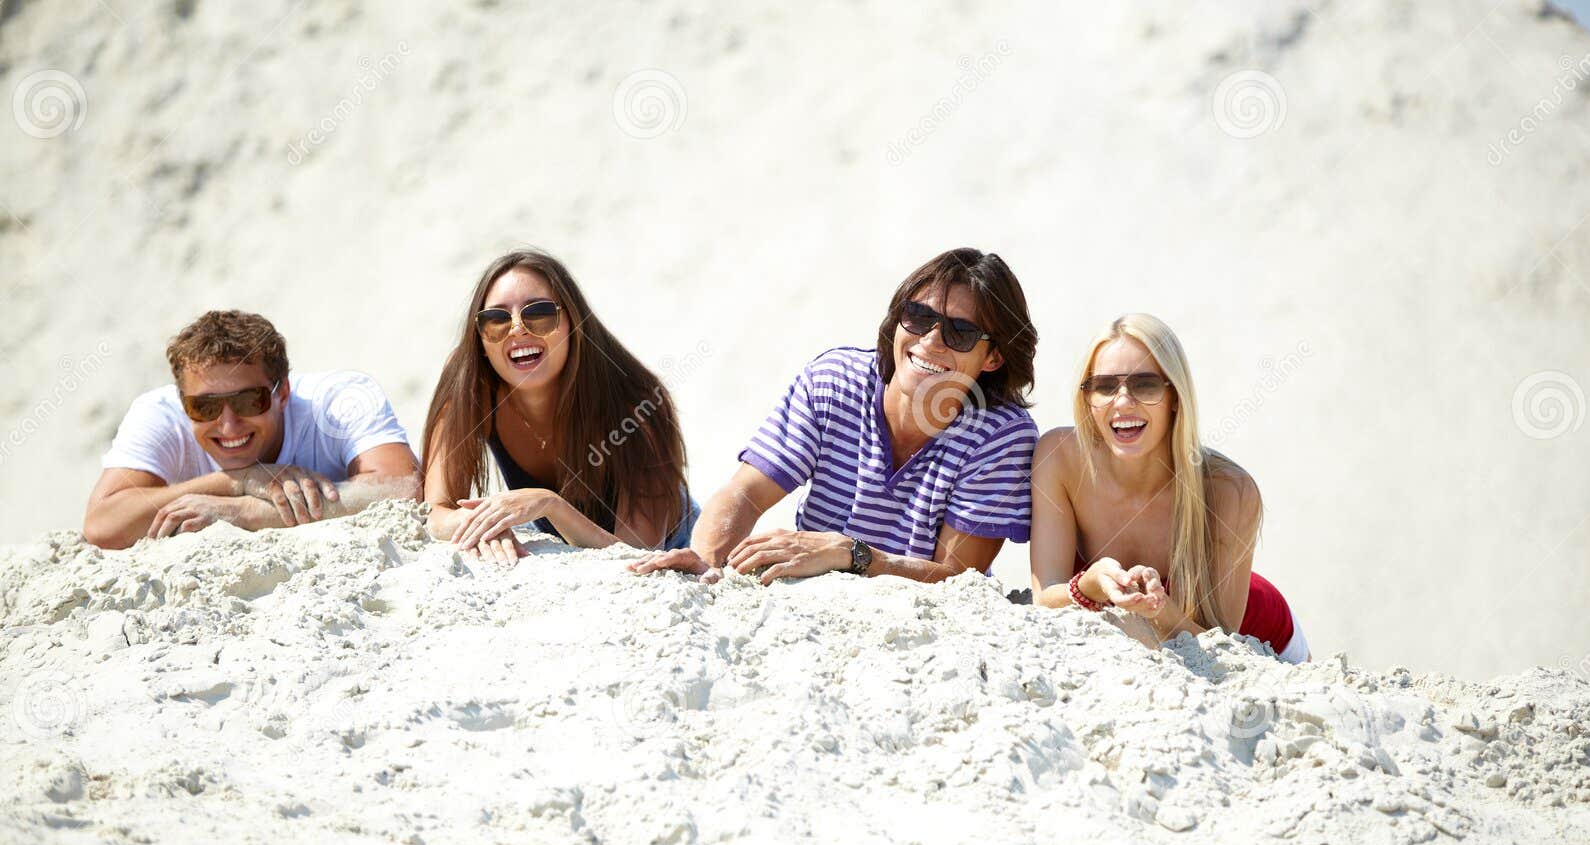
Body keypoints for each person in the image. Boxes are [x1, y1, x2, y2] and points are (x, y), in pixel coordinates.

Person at [630, 247, 1038, 585]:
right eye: (919, 316)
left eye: (960, 332)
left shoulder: (1001, 437)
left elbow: (956, 578)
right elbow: (746, 493)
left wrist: (849, 553)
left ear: (994, 357)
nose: (930, 340)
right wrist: (708, 562)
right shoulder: (835, 381)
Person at [1030, 313, 1309, 662]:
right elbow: (1043, 600)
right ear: (1087, 398)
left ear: (1174, 395)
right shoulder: (1059, 458)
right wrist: (1088, 585)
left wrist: (1158, 609)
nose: (1122, 401)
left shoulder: (1229, 490)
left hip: (1265, 640)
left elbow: (1225, 651)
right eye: (1104, 385)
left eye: (1145, 384)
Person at [422, 249, 697, 566]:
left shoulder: (636, 402)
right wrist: (482, 524)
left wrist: (550, 504)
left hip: (675, 545)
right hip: (561, 544)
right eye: (495, 320)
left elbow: (637, 557)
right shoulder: (470, 380)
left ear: (573, 323)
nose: (517, 329)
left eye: (539, 313)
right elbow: (436, 512)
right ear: (481, 341)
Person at [84, 310, 421, 549]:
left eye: (248, 401)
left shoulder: (338, 399)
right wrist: (238, 482)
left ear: (283, 394)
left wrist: (246, 511)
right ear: (183, 404)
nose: (228, 424)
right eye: (205, 407)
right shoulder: (159, 414)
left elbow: (404, 488)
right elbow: (102, 524)